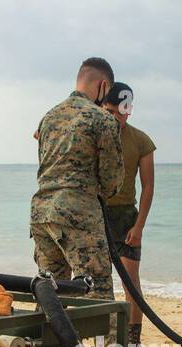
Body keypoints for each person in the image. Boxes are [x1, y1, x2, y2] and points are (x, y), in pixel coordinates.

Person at [30, 57, 123, 302]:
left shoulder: (49, 117)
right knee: (98, 292)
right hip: (78, 214)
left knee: (50, 296)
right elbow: (112, 181)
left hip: (41, 214)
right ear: (103, 86)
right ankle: (107, 343)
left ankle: (47, 341)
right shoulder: (102, 119)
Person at [100, 81, 159, 347]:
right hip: (95, 212)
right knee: (93, 283)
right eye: (109, 111)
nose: (115, 118)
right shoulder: (93, 132)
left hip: (125, 216)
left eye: (121, 112)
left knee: (130, 283)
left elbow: (148, 186)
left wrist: (139, 226)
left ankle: (132, 346)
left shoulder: (140, 140)